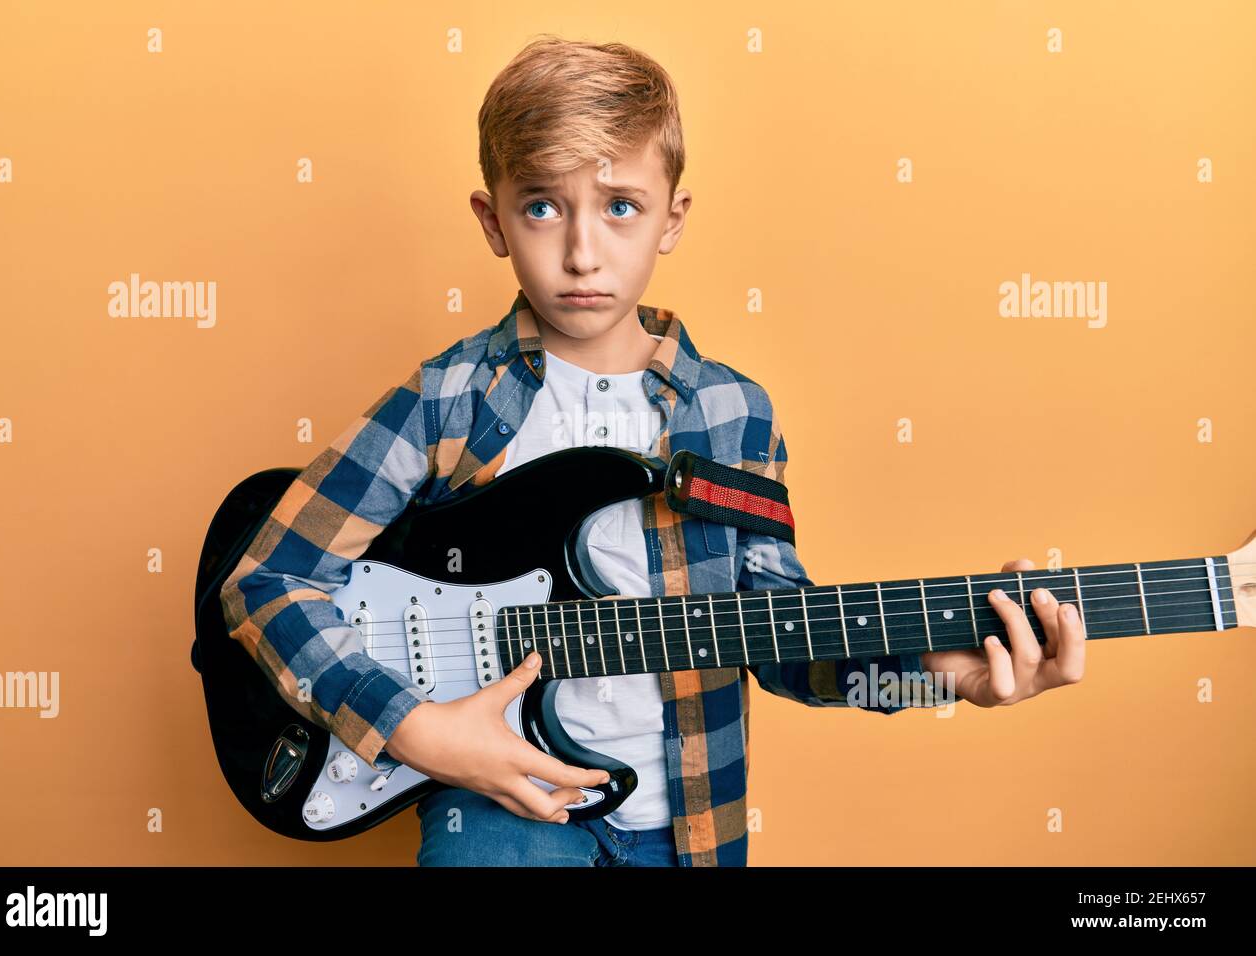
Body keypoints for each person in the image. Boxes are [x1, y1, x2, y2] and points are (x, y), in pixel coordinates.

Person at [218, 35, 1086, 868]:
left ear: (672, 219)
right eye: (542, 207)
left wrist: (930, 673)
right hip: (496, 817)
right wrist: (415, 731)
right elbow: (265, 581)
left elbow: (782, 640)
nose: (582, 252)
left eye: (620, 207)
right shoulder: (449, 397)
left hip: (691, 825)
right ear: (492, 221)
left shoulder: (731, 413)